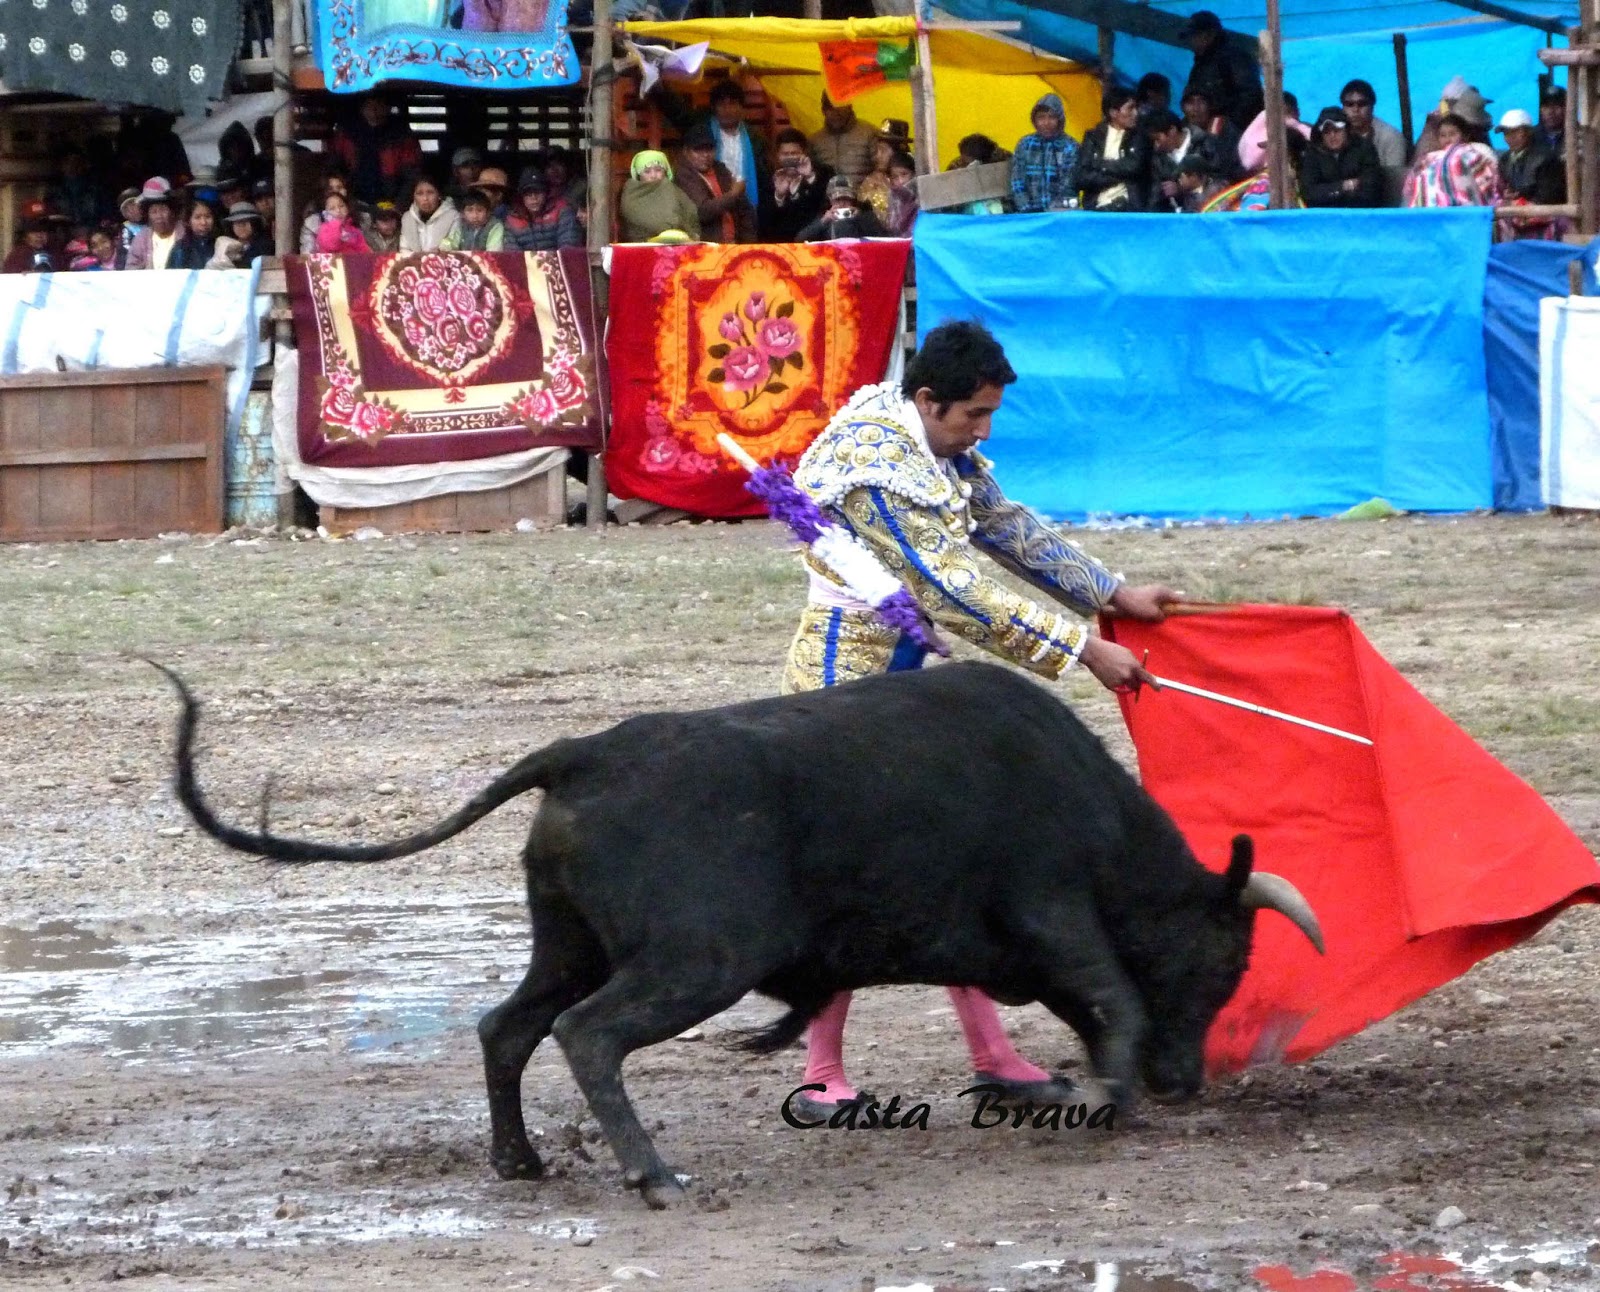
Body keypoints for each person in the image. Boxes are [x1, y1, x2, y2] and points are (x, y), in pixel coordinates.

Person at [780, 320, 1177, 1119]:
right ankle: (820, 1070)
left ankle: (992, 1052)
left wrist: (1107, 592)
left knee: (950, 857)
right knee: (850, 871)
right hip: (844, 678)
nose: (983, 433)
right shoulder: (879, 472)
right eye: (973, 418)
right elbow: (951, 588)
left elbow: (1000, 523)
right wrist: (1082, 650)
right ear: (928, 400)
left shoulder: (928, 441)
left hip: (905, 672)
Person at [327, 94, 425, 204]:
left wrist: (398, 205)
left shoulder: (401, 135)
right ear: (361, 108)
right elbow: (334, 169)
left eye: (379, 104)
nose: (374, 110)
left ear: (387, 107)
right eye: (369, 105)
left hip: (391, 200)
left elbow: (412, 176)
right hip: (354, 199)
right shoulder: (347, 133)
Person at [1178, 10, 1263, 131]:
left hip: (1235, 133)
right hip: (1209, 132)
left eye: (1194, 36)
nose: (1191, 41)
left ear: (1209, 35)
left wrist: (1228, 125)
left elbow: (1250, 95)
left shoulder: (1233, 58)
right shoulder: (1200, 65)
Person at [676, 122, 756, 244]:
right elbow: (703, 211)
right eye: (698, 150)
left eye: (710, 149)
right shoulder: (683, 175)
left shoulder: (721, 170)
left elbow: (745, 210)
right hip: (705, 248)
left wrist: (747, 246)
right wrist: (733, 194)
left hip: (734, 245)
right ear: (685, 152)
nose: (705, 155)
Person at [1074, 87, 1152, 212]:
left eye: (1136, 108)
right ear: (1113, 113)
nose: (1136, 113)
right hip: (1096, 208)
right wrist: (1121, 176)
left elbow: (1134, 167)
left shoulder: (1140, 137)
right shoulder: (1093, 137)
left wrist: (1101, 164)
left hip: (1129, 207)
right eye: (1130, 108)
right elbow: (1082, 177)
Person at [1495, 107, 1567, 241]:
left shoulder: (1546, 158)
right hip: (1518, 221)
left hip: (1546, 223)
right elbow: (1503, 188)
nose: (1510, 138)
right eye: (1506, 133)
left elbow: (1550, 195)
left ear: (1528, 132)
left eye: (1515, 132)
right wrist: (1508, 196)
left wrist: (1521, 200)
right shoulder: (1504, 160)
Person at [1403, 113, 1501, 208]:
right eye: (1443, 135)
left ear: (1465, 136)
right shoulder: (1429, 158)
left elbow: (1491, 182)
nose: (1447, 139)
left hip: (1469, 211)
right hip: (1435, 213)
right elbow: (1412, 188)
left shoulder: (1478, 150)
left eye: (1452, 134)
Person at [707, 80, 768, 223]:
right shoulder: (705, 133)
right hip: (714, 201)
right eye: (722, 105)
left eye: (732, 104)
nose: (727, 110)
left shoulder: (756, 139)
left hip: (746, 204)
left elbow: (764, 176)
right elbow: (678, 113)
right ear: (714, 108)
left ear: (741, 108)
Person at [1339, 79, 1407, 206]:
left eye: (1362, 104)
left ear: (1372, 105)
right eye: (1349, 104)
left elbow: (1395, 181)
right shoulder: (1335, 136)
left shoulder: (1391, 137)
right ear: (1342, 107)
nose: (1355, 110)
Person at [1299, 107, 1381, 209]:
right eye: (1327, 132)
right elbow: (1309, 193)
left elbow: (1371, 189)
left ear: (1347, 130)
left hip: (1361, 213)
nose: (1332, 136)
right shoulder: (1313, 154)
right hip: (1325, 216)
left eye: (1337, 130)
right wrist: (1344, 186)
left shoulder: (1364, 149)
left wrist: (1328, 192)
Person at [1010, 93, 1079, 212]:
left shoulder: (1070, 146)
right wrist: (1025, 208)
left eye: (1052, 117)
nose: (1046, 122)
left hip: (1060, 215)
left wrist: (1054, 211)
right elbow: (1017, 181)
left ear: (1060, 119)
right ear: (1034, 120)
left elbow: (1069, 185)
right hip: (1028, 214)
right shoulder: (1025, 144)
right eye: (1041, 117)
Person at [762, 130, 833, 242]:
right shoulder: (769, 178)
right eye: (785, 154)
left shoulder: (824, 173)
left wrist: (810, 178)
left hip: (815, 239)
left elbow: (822, 207)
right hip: (782, 243)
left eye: (794, 153)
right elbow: (765, 220)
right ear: (777, 156)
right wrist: (779, 196)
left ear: (804, 153)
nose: (790, 158)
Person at [619, 150, 701, 243]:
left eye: (658, 170)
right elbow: (635, 216)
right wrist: (671, 227)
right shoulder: (632, 193)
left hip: (681, 243)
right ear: (638, 174)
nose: (653, 175)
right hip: (644, 245)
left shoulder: (671, 188)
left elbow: (690, 212)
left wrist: (691, 234)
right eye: (647, 172)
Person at [808, 94, 878, 188]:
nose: (836, 113)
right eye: (830, 108)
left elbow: (881, 169)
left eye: (840, 107)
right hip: (828, 200)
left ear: (849, 107)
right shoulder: (815, 140)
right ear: (823, 111)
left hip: (863, 198)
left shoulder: (869, 133)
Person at [797, 175, 890, 241]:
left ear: (853, 199)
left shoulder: (865, 214)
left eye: (846, 199)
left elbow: (881, 238)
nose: (842, 203)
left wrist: (860, 218)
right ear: (830, 199)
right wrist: (823, 221)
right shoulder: (824, 216)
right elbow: (800, 239)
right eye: (838, 200)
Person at [506, 172, 584, 250]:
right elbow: (513, 255)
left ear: (546, 193)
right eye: (528, 193)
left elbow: (569, 246)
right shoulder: (512, 220)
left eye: (538, 192)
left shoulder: (561, 210)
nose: (534, 197)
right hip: (525, 262)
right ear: (521, 197)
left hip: (558, 260)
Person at [1180, 85, 1244, 180]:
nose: (1196, 108)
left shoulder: (1222, 127)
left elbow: (1228, 168)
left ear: (1210, 106)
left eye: (1202, 101)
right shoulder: (1180, 131)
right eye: (1190, 102)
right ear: (1183, 107)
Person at [1238, 92, 1309, 173]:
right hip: (1258, 161)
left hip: (1245, 161)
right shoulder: (1279, 116)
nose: (1299, 114)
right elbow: (1304, 130)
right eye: (1297, 110)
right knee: (1293, 134)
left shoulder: (1262, 116)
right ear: (1290, 109)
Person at [858, 120, 912, 221]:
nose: (878, 156)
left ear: (899, 151)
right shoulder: (871, 181)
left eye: (883, 150)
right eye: (877, 150)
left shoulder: (913, 177)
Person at [125, 179, 182, 270]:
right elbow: (130, 269)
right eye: (153, 212)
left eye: (163, 210)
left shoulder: (185, 234)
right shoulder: (142, 238)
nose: (159, 216)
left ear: (172, 212)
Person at [400, 175, 461, 251]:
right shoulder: (407, 218)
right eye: (420, 193)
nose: (425, 198)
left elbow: (454, 241)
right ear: (414, 197)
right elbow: (404, 248)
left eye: (430, 193)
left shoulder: (452, 216)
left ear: (439, 195)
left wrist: (441, 249)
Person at [440, 188, 506, 251]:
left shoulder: (495, 226)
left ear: (488, 213)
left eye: (480, 210)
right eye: (470, 210)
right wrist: (444, 247)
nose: (475, 215)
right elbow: (451, 242)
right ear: (463, 214)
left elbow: (494, 251)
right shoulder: (461, 224)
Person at [300, 175, 352, 254]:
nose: (335, 192)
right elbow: (307, 255)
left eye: (339, 188)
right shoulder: (311, 223)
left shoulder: (360, 218)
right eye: (330, 189)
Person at [168, 200, 220, 269]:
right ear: (188, 221)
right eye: (197, 217)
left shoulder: (220, 244)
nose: (203, 222)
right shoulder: (180, 248)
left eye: (208, 217)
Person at [884, 151, 920, 236]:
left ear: (913, 173)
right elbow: (892, 229)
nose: (901, 181)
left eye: (904, 174)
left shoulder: (921, 196)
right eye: (895, 177)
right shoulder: (893, 198)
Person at [113, 187, 145, 270]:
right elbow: (125, 249)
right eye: (127, 209)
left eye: (134, 205)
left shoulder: (151, 225)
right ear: (124, 214)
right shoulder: (126, 229)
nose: (132, 210)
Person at [1538, 84, 1566, 156]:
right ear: (1541, 109)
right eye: (1546, 106)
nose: (1551, 111)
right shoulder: (1531, 137)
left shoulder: (1578, 135)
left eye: (1557, 106)